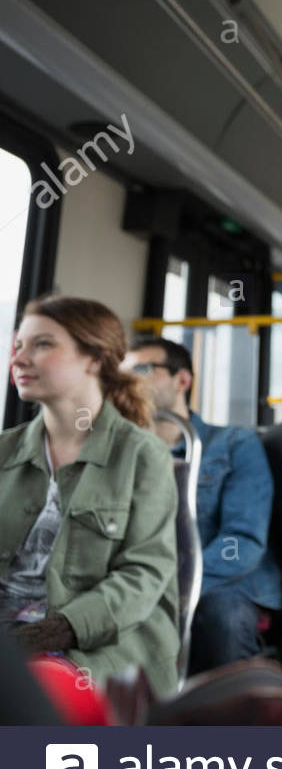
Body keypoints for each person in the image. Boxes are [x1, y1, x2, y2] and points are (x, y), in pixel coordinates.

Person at [0, 296, 178, 692]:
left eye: (42, 344)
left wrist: (54, 632)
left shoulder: (141, 455)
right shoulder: (4, 453)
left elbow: (144, 575)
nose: (20, 358)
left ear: (95, 359)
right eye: (18, 346)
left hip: (99, 644)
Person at [123, 336, 281, 675]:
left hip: (221, 582)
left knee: (221, 618)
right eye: (125, 371)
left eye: (145, 369)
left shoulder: (233, 444)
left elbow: (242, 541)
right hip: (143, 580)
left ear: (183, 380)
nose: (131, 378)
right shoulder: (124, 454)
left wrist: (168, 585)